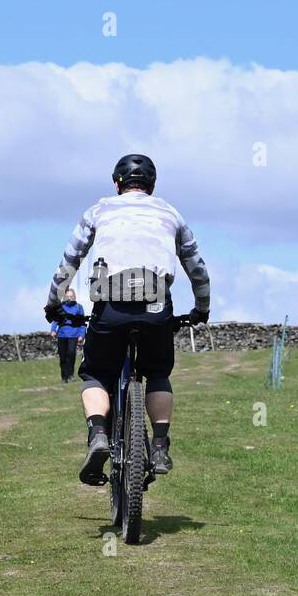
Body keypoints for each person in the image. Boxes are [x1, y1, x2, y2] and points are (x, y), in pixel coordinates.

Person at [44, 154, 209, 484]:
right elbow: (197, 268)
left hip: (110, 308)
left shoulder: (99, 210)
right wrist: (201, 309)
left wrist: (53, 304)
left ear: (117, 183)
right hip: (156, 307)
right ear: (153, 185)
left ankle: (99, 435)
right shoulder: (171, 213)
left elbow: (70, 260)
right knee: (158, 372)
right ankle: (160, 445)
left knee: (95, 374)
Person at [49, 288, 86, 382]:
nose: (69, 298)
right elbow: (55, 320)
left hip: (74, 334)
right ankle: (64, 376)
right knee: (63, 356)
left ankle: (70, 375)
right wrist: (53, 330)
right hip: (62, 334)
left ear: (74, 297)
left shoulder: (79, 307)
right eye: (67, 296)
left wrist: (82, 334)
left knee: (71, 354)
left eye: (71, 296)